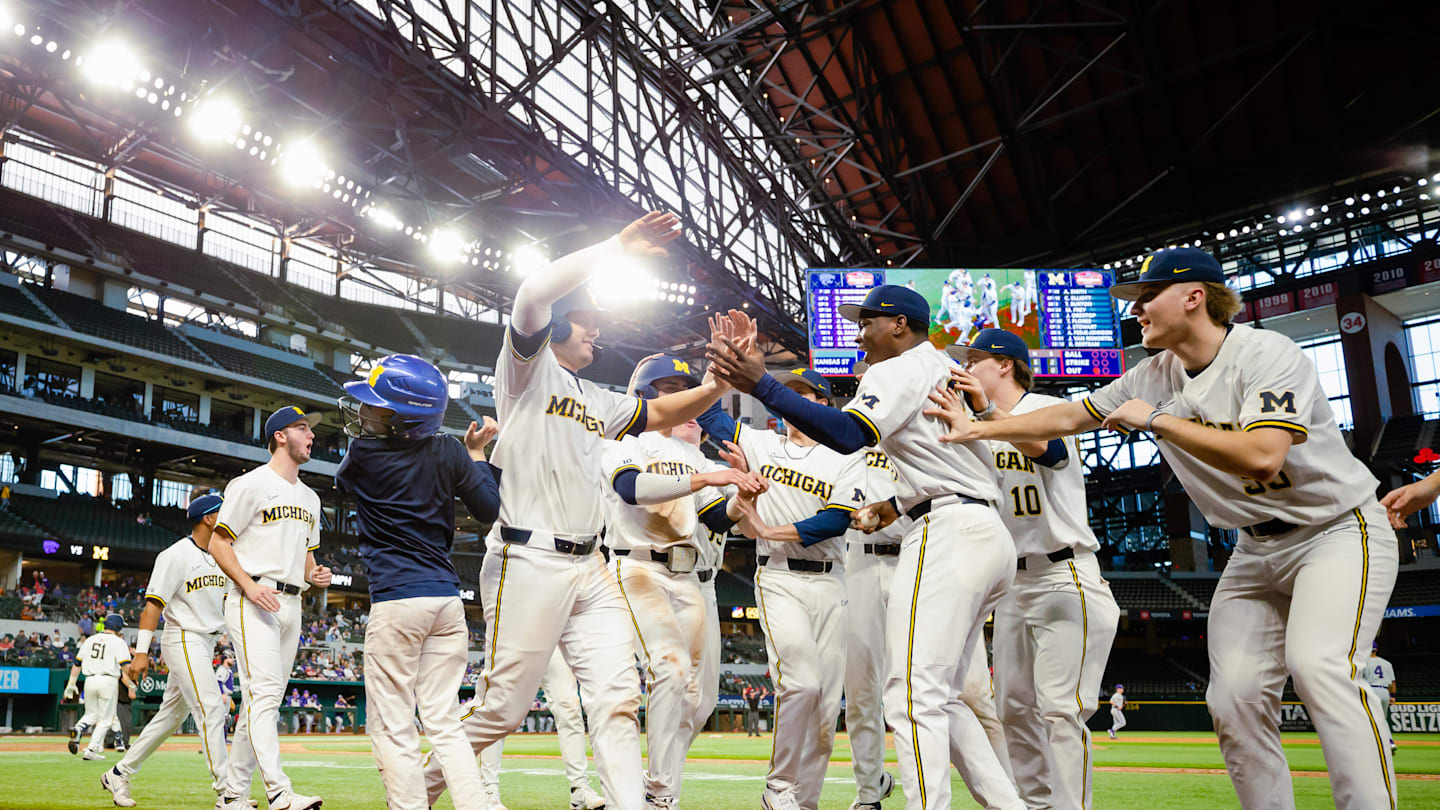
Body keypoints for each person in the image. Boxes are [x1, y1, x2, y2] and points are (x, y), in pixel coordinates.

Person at [924, 248, 1399, 810]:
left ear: (1194, 297)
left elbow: (1265, 455)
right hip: (1251, 548)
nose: (1138, 309)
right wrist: (973, 428)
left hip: (1336, 530)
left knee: (1320, 667)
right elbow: (1069, 417)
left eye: (1148, 297)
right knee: (1234, 700)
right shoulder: (1153, 373)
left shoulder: (1268, 354)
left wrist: (1154, 418)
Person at [422, 212, 733, 810]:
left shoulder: (598, 398)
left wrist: (722, 380)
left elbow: (663, 415)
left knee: (616, 698)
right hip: (529, 554)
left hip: (591, 565)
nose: (596, 334)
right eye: (587, 324)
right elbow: (532, 292)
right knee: (503, 708)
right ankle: (413, 789)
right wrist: (617, 246)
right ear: (560, 327)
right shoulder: (526, 374)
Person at [706, 290, 1023, 810]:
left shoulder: (900, 366)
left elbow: (852, 434)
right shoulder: (943, 367)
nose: (858, 334)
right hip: (983, 529)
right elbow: (944, 456)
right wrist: (897, 504)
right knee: (943, 695)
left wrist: (762, 385)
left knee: (913, 695)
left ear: (900, 324)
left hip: (947, 531)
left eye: (866, 322)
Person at [948, 329, 1121, 809]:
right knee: (1013, 708)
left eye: (976, 359)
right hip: (1012, 585)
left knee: (1060, 710)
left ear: (1005, 365)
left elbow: (1053, 449)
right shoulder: (972, 424)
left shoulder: (1044, 406)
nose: (967, 366)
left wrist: (984, 415)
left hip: (1066, 573)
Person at [334, 354, 499, 810]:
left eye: (377, 408)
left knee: (392, 725)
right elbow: (488, 508)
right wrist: (477, 454)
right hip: (446, 602)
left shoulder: (362, 455)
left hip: (397, 604)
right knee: (444, 722)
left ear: (406, 420)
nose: (365, 412)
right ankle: (475, 805)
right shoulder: (449, 449)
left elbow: (342, 482)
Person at [699, 362, 867, 810]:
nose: (794, 403)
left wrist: (768, 529)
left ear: (822, 404)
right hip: (778, 576)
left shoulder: (848, 454)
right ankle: (779, 787)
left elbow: (835, 520)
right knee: (803, 685)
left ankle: (804, 801)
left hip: (833, 584)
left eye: (805, 395)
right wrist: (719, 368)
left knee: (827, 711)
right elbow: (707, 414)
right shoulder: (758, 442)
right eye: (788, 394)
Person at [605, 353, 763, 807]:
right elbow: (631, 488)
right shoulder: (628, 439)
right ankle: (656, 793)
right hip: (639, 567)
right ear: (646, 396)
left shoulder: (694, 454)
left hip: (690, 576)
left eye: (684, 388)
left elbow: (715, 516)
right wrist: (705, 478)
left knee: (701, 700)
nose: (682, 399)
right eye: (670, 389)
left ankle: (661, 790)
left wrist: (740, 494)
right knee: (671, 672)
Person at [210, 405, 331, 810]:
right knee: (263, 695)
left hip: (292, 601)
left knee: (262, 701)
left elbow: (307, 556)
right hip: (252, 598)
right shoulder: (250, 484)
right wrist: (247, 584)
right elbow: (219, 543)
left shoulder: (311, 498)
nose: (311, 435)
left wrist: (315, 575)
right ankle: (279, 791)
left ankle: (232, 794)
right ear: (280, 436)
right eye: (302, 428)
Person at [102, 495, 232, 808]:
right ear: (208, 519)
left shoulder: (225, 554)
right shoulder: (174, 555)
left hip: (206, 640)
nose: (229, 516)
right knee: (212, 708)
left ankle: (119, 772)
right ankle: (228, 792)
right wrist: (141, 652)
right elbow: (153, 605)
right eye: (222, 511)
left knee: (171, 717)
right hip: (183, 637)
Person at [840, 363, 905, 810]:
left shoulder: (922, 417)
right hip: (859, 565)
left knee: (935, 690)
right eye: (865, 376)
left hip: (917, 556)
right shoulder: (843, 429)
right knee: (861, 690)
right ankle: (869, 793)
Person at [478, 651, 607, 810]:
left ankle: (579, 789)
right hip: (515, 632)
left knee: (569, 708)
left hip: (555, 634)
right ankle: (488, 791)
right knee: (497, 707)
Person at [65, 614, 136, 761]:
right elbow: (126, 667)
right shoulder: (119, 642)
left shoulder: (90, 639)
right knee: (106, 719)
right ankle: (91, 749)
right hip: (108, 680)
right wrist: (132, 682)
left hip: (89, 680)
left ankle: (78, 729)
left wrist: (71, 683)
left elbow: (77, 664)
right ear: (118, 627)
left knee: (91, 714)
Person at [1363, 645, 1397, 755]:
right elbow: (1392, 683)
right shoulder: (1387, 663)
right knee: (1382, 719)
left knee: (1369, 718)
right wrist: (1392, 696)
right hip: (1384, 691)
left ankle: (1372, 745)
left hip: (1371, 690)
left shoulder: (1363, 663)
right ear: (1376, 649)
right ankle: (1390, 742)